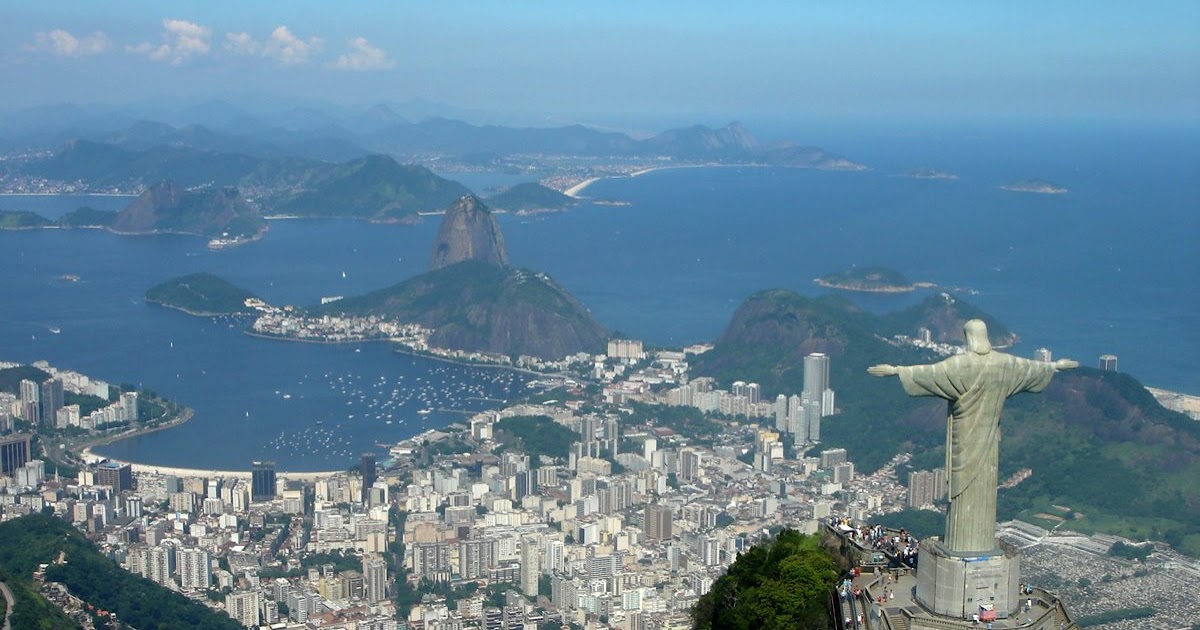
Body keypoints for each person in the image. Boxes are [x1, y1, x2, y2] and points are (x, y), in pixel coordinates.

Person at [869, 319, 1077, 552]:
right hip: (989, 441)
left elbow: (930, 373)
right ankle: (978, 545)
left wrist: (896, 371)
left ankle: (962, 545)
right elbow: (1030, 368)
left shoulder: (961, 365)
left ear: (968, 338)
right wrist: (1055, 366)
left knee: (963, 492)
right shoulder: (1004, 363)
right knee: (984, 487)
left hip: (964, 439)